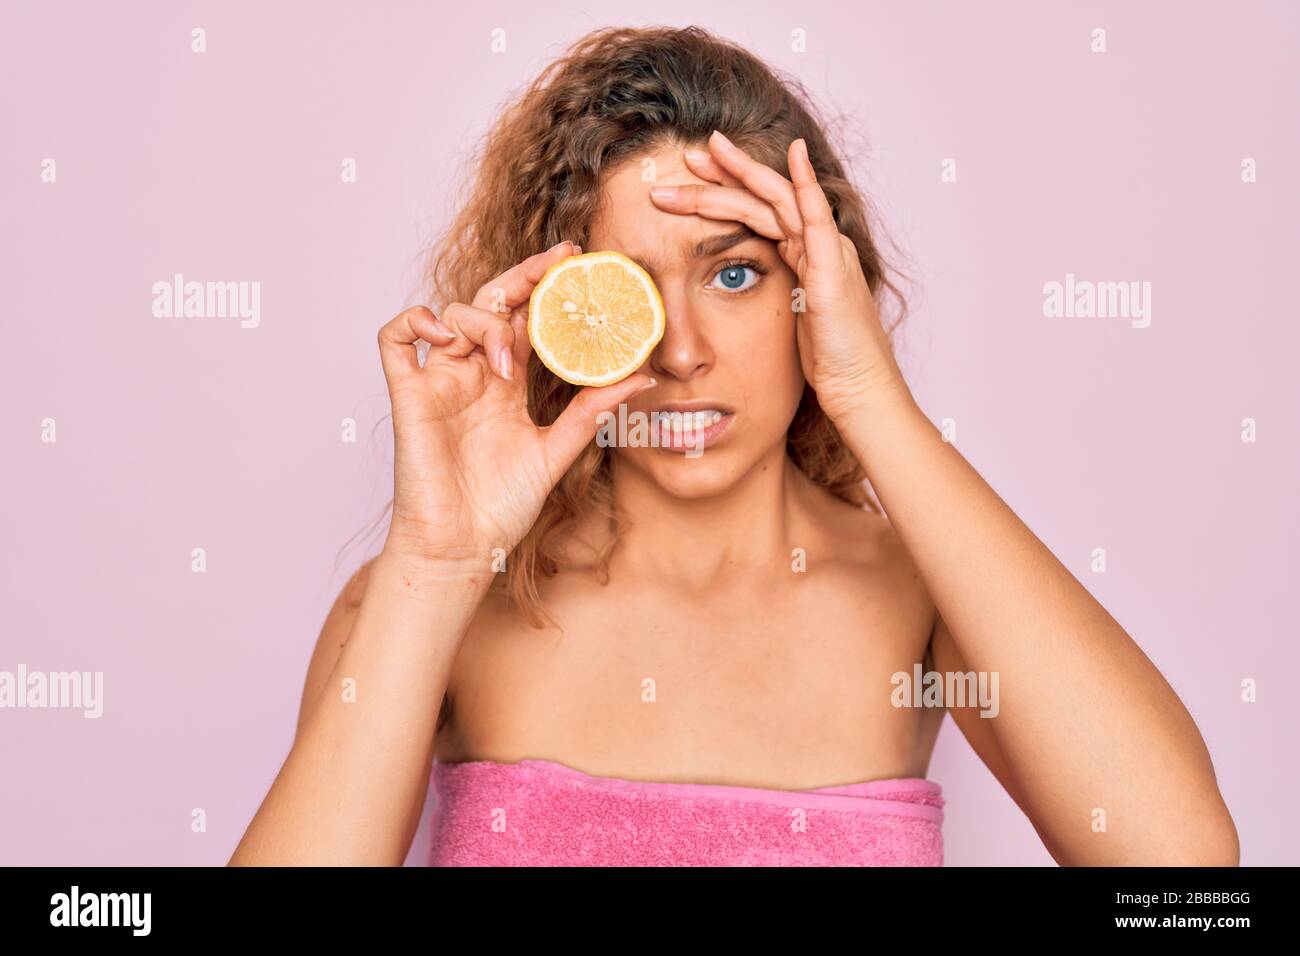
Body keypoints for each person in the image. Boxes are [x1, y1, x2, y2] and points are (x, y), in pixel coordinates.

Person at [230, 25, 1238, 866]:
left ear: (820, 284)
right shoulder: (428, 603)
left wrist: (867, 395)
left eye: (735, 274)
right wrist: (435, 567)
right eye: (626, 289)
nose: (678, 351)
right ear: (551, 313)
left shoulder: (926, 602)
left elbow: (1181, 872)